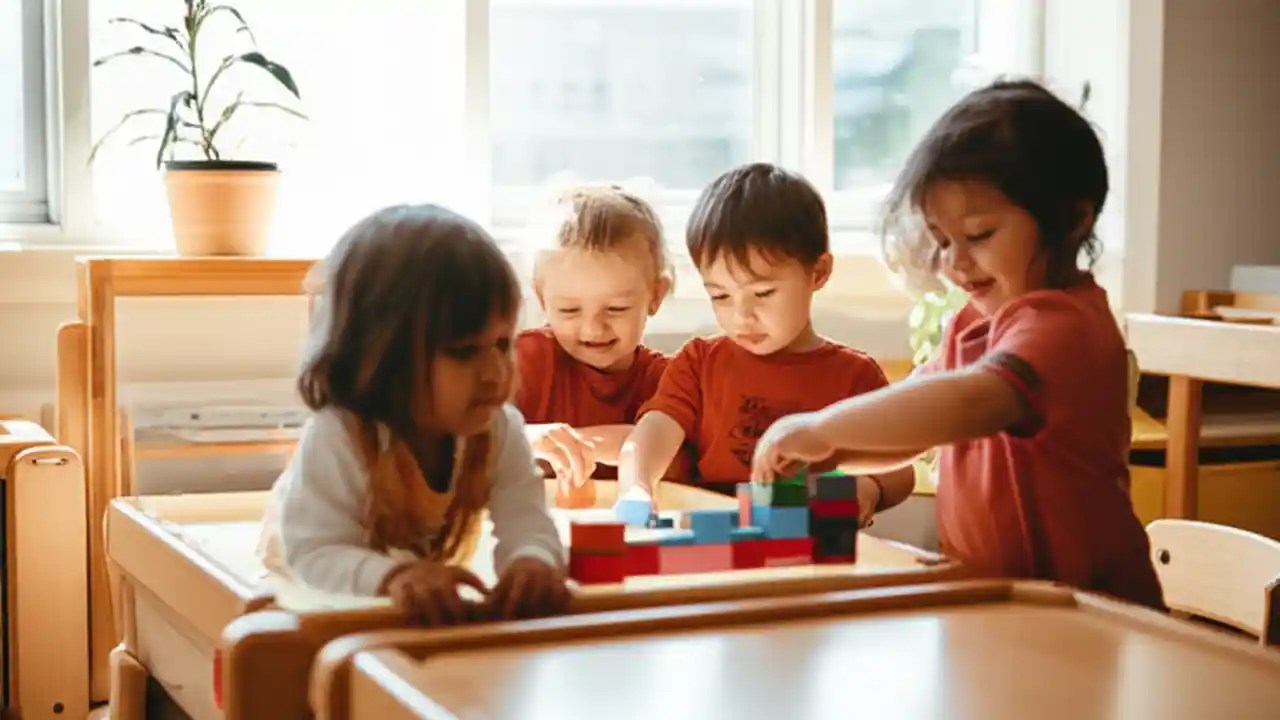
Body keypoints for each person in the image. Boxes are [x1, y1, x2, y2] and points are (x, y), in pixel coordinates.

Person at [750, 80, 1165, 610]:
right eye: (942, 241)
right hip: (1008, 603)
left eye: (980, 235)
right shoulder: (976, 323)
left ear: (1071, 219)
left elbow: (969, 403)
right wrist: (825, 453)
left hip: (1091, 611)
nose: (954, 262)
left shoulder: (1064, 327)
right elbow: (918, 428)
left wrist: (820, 428)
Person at [258, 203, 569, 625]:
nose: (496, 373)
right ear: (384, 357)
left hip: (400, 574)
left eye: (502, 344)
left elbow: (527, 517)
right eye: (463, 353)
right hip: (303, 582)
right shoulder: (343, 434)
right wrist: (393, 576)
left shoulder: (498, 429)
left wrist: (532, 560)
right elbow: (315, 552)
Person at [621, 162, 916, 527]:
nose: (742, 315)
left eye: (763, 292)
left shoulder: (854, 376)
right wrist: (638, 486)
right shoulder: (698, 363)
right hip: (713, 532)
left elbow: (900, 472)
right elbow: (652, 434)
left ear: (818, 272)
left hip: (808, 541)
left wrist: (868, 490)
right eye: (721, 296)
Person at [515, 186, 675, 498]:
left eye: (616, 309)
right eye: (569, 310)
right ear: (541, 297)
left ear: (655, 295)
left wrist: (603, 442)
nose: (593, 328)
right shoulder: (527, 361)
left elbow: (691, 461)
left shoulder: (672, 381)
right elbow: (463, 440)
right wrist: (522, 437)